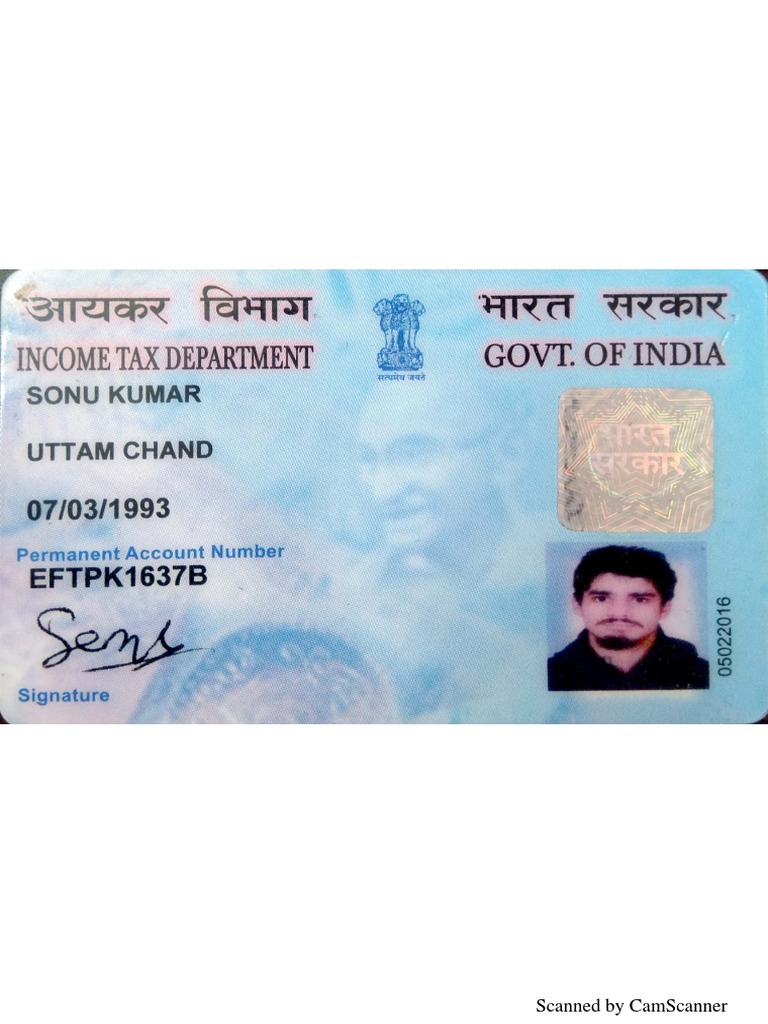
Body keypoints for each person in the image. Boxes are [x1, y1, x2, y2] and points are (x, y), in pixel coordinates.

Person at [548, 545, 708, 691]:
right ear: (577, 604)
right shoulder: (550, 676)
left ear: (664, 608)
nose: (619, 613)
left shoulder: (702, 675)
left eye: (640, 599)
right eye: (601, 598)